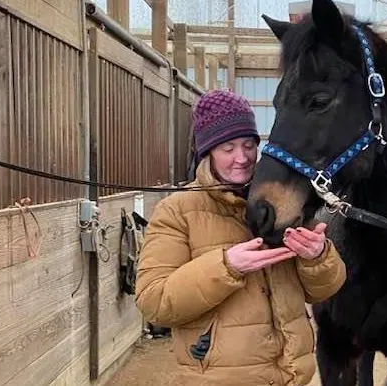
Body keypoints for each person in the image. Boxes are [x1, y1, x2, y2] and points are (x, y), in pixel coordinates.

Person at [135, 89, 347, 386]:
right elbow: (153, 301)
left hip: (291, 377)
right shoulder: (177, 211)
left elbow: (321, 291)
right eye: (228, 148)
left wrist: (318, 258)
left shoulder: (279, 200)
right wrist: (226, 266)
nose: (242, 158)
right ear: (206, 151)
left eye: (249, 145)